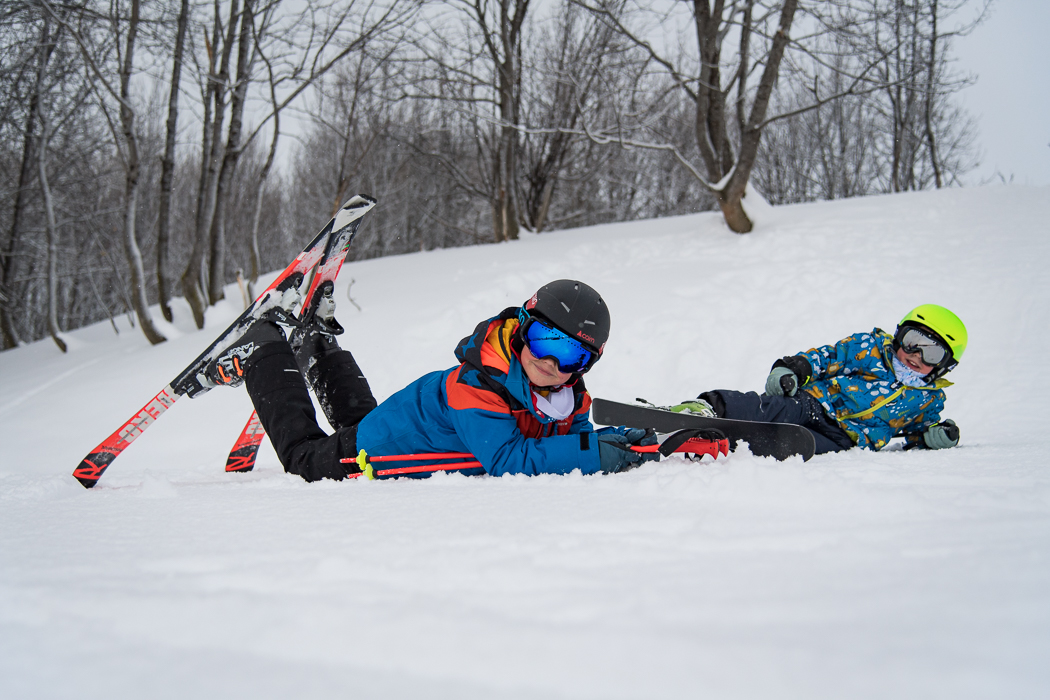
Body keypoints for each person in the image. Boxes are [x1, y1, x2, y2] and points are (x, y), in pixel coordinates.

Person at [205, 279, 658, 481]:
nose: (552, 364)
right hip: (375, 456)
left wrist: (618, 444)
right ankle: (261, 350)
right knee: (306, 458)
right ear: (522, 326)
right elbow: (507, 458)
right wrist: (595, 456)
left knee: (361, 423)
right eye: (544, 340)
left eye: (572, 355)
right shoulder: (479, 384)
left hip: (398, 431)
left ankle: (321, 343)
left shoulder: (567, 398)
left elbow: (573, 443)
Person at [669, 305, 967, 454]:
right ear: (900, 334)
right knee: (769, 409)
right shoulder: (870, 348)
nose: (916, 355)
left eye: (932, 354)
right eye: (913, 341)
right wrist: (793, 369)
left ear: (943, 367)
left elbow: (916, 431)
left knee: (793, 446)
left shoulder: (928, 400)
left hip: (844, 439)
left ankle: (719, 444)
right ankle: (707, 409)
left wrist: (935, 436)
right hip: (814, 403)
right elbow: (827, 357)